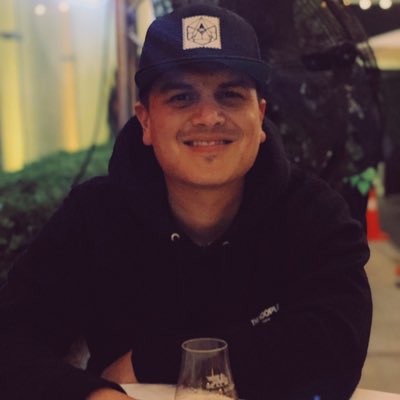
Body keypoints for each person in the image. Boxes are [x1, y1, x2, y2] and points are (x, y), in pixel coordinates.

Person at [0, 4, 372, 400]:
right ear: (145, 121)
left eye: (230, 95)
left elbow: (336, 352)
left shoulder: (313, 213)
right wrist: (93, 395)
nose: (209, 116)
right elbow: (11, 340)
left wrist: (153, 360)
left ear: (260, 116)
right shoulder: (94, 216)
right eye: (182, 97)